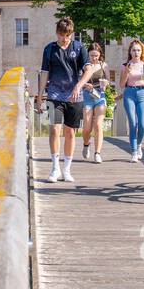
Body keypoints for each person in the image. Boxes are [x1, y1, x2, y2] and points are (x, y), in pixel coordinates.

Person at [35, 17, 87, 182]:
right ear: (57, 33)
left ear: (71, 34)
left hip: (74, 96)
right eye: (61, 35)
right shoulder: (49, 49)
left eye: (67, 35)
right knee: (54, 129)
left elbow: (88, 69)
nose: (64, 39)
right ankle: (55, 168)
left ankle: (67, 169)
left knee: (70, 132)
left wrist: (79, 86)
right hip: (54, 95)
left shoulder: (79, 48)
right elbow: (44, 73)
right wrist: (39, 95)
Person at [119, 40, 144, 162]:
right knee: (133, 123)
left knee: (142, 125)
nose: (136, 52)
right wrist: (126, 73)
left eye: (138, 50)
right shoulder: (125, 65)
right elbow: (121, 84)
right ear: (130, 51)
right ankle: (134, 152)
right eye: (134, 50)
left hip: (142, 93)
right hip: (129, 93)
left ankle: (139, 145)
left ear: (142, 51)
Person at [74, 44, 110, 164]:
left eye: (96, 55)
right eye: (92, 55)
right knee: (87, 127)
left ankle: (97, 153)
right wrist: (85, 85)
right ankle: (86, 144)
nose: (94, 58)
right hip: (87, 96)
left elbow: (108, 81)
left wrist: (105, 84)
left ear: (100, 55)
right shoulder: (84, 66)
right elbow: (78, 80)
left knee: (98, 125)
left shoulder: (103, 65)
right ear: (88, 54)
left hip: (100, 96)